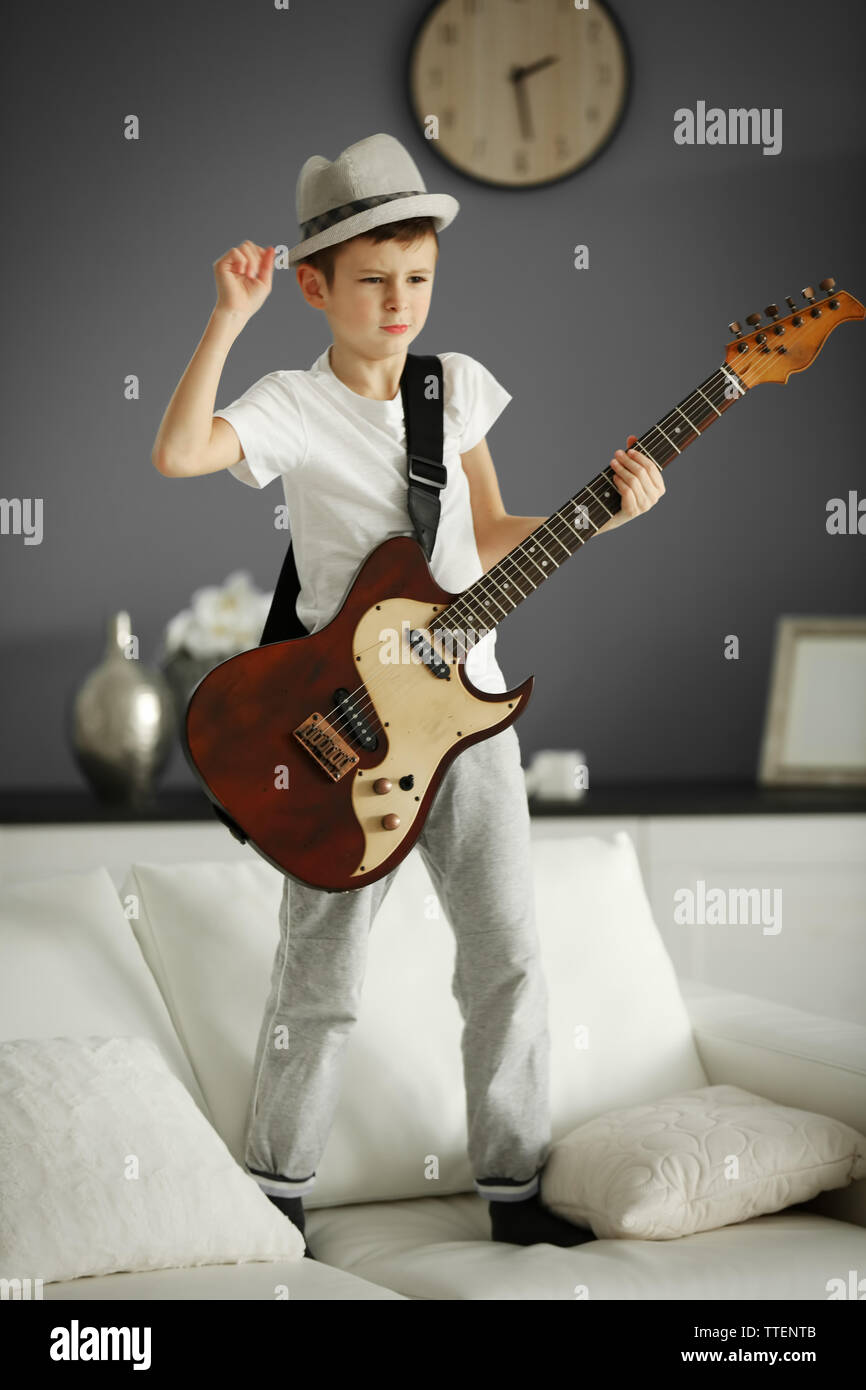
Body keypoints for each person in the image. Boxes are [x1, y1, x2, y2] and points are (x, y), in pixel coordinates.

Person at [151, 133, 665, 1256]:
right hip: (343, 733)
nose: (399, 303)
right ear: (315, 286)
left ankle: (514, 1193)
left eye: (418, 279)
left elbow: (489, 534)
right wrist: (226, 320)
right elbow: (179, 453)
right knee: (322, 975)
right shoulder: (292, 403)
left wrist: (604, 514)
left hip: (467, 717)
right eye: (373, 281)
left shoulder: (456, 386)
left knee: (507, 959)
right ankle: (275, 1195)